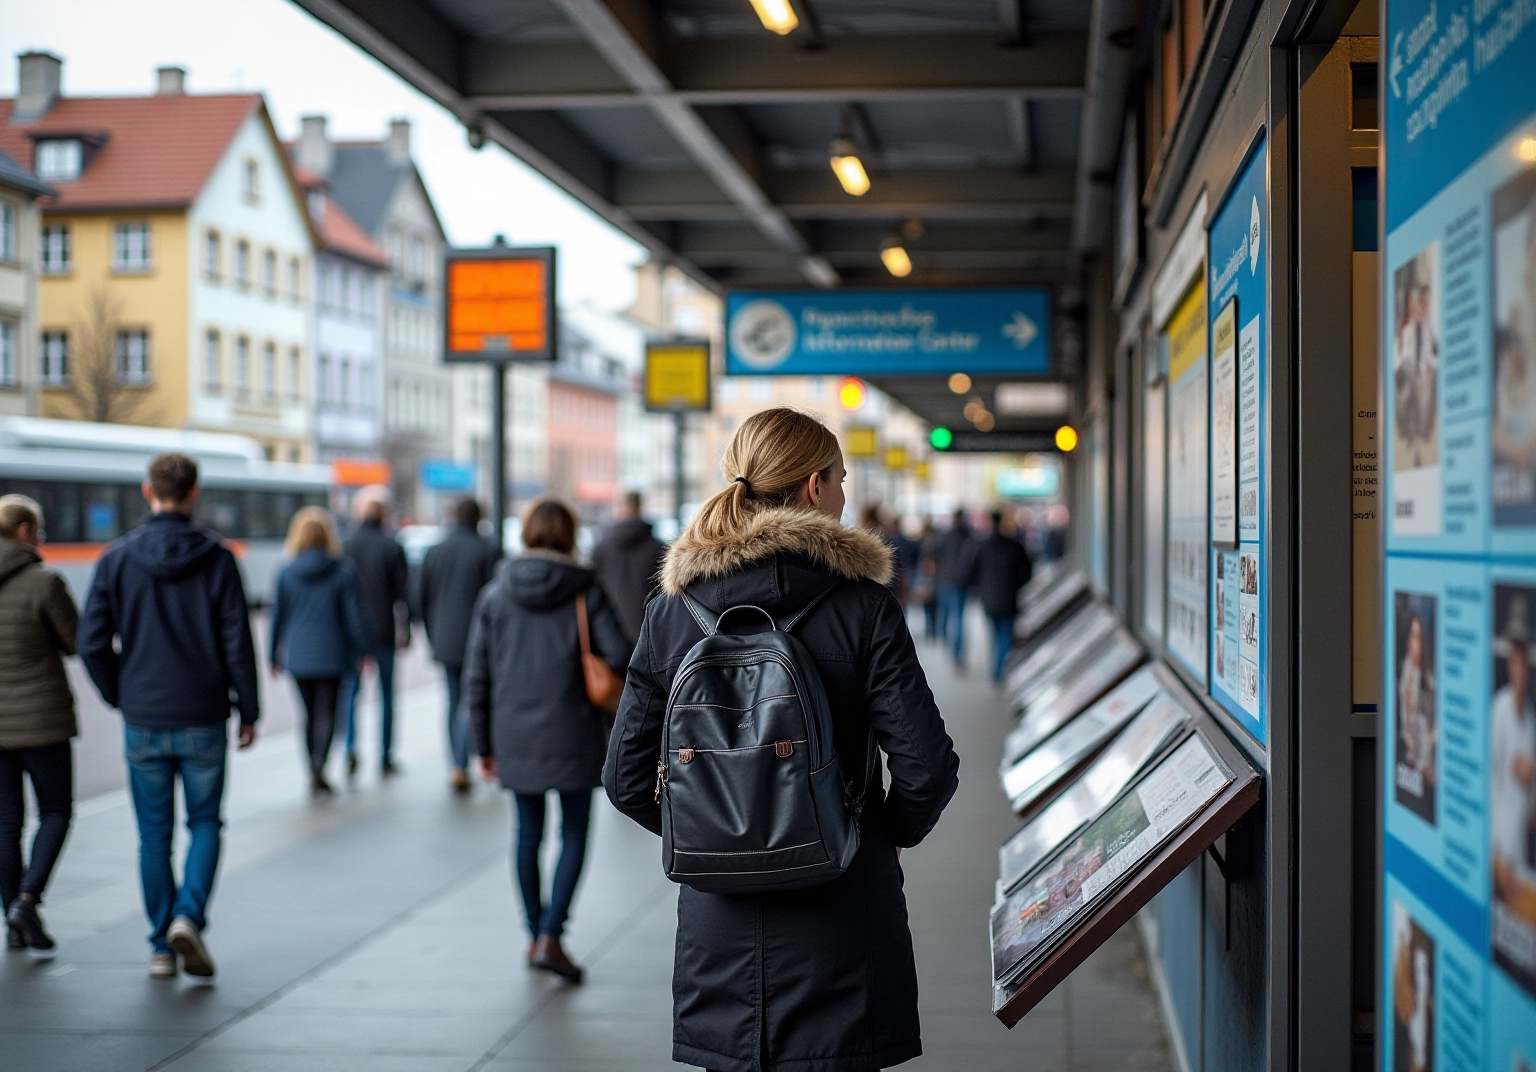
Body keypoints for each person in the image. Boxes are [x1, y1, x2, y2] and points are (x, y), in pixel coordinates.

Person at [604, 407, 960, 1072]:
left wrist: (719, 830)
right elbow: (926, 767)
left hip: (720, 933)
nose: (847, 495)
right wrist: (866, 835)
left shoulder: (672, 611)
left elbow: (626, 779)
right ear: (811, 488)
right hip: (843, 917)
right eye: (842, 479)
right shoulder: (862, 606)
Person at [78, 452, 259, 979]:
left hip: (145, 716)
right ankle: (189, 916)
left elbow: (91, 642)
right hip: (204, 714)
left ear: (146, 490)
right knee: (205, 822)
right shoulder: (219, 558)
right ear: (195, 493)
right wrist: (247, 708)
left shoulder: (116, 558)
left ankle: (160, 945)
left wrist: (121, 693)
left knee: (153, 835)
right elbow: (236, 640)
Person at [464, 497, 630, 983]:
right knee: (574, 832)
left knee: (526, 833)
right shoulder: (585, 590)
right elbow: (619, 653)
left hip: (513, 733)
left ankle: (533, 932)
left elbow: (478, 676)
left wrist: (482, 745)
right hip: (575, 730)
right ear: (569, 535)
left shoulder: (496, 593)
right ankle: (553, 935)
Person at [0, 495, 79, 952]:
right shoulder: (45, 583)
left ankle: (12, 914)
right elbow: (74, 641)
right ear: (26, 531)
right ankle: (28, 901)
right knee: (55, 811)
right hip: (42, 720)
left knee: (5, 821)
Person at [269, 508, 370, 796]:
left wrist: (272, 656)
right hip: (333, 654)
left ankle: (312, 767)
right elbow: (353, 617)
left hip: (298, 656)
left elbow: (278, 616)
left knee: (309, 715)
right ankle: (319, 766)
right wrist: (362, 650)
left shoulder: (286, 572)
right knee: (328, 713)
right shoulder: (342, 571)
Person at [418, 497, 500, 791]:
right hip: (478, 640)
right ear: (478, 518)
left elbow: (421, 598)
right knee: (475, 700)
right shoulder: (487, 551)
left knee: (453, 700)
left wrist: (431, 634)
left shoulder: (435, 551)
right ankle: (474, 757)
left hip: (445, 638)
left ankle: (457, 763)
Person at [340, 486, 410, 777]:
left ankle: (350, 748)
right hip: (383, 630)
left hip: (351, 634)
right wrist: (405, 629)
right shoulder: (391, 545)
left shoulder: (345, 544)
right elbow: (403, 594)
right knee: (386, 696)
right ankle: (385, 754)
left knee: (351, 694)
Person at [590, 489, 665, 646]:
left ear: (619, 509)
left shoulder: (602, 547)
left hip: (610, 635)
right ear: (639, 508)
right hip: (648, 636)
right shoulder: (657, 548)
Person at [972, 510, 1034, 682]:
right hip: (1009, 597)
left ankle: (998, 671)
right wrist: (1017, 584)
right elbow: (1028, 571)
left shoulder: (982, 545)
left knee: (996, 636)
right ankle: (1000, 671)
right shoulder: (1014, 545)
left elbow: (971, 570)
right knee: (1005, 636)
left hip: (989, 599)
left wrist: (980, 587)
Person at [935, 508, 979, 668]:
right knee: (958, 618)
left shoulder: (946, 536)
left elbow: (936, 555)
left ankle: (949, 646)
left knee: (947, 615)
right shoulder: (969, 536)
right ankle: (956, 654)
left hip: (946, 580)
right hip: (962, 583)